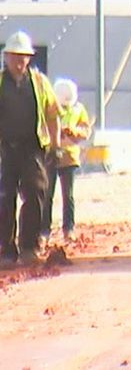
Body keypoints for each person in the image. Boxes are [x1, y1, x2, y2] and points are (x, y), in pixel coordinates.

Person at [0, 31, 60, 266]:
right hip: (6, 148)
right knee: (4, 197)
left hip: (33, 148)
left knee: (35, 193)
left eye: (23, 56)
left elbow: (53, 114)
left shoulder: (39, 83)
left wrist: (55, 145)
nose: (18, 61)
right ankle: (5, 248)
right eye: (14, 56)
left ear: (29, 58)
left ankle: (29, 246)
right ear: (6, 57)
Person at [43, 78, 90, 243]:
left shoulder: (78, 109)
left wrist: (74, 132)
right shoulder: (48, 108)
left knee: (67, 195)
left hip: (69, 157)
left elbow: (85, 130)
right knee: (47, 194)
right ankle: (44, 230)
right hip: (50, 156)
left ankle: (68, 228)